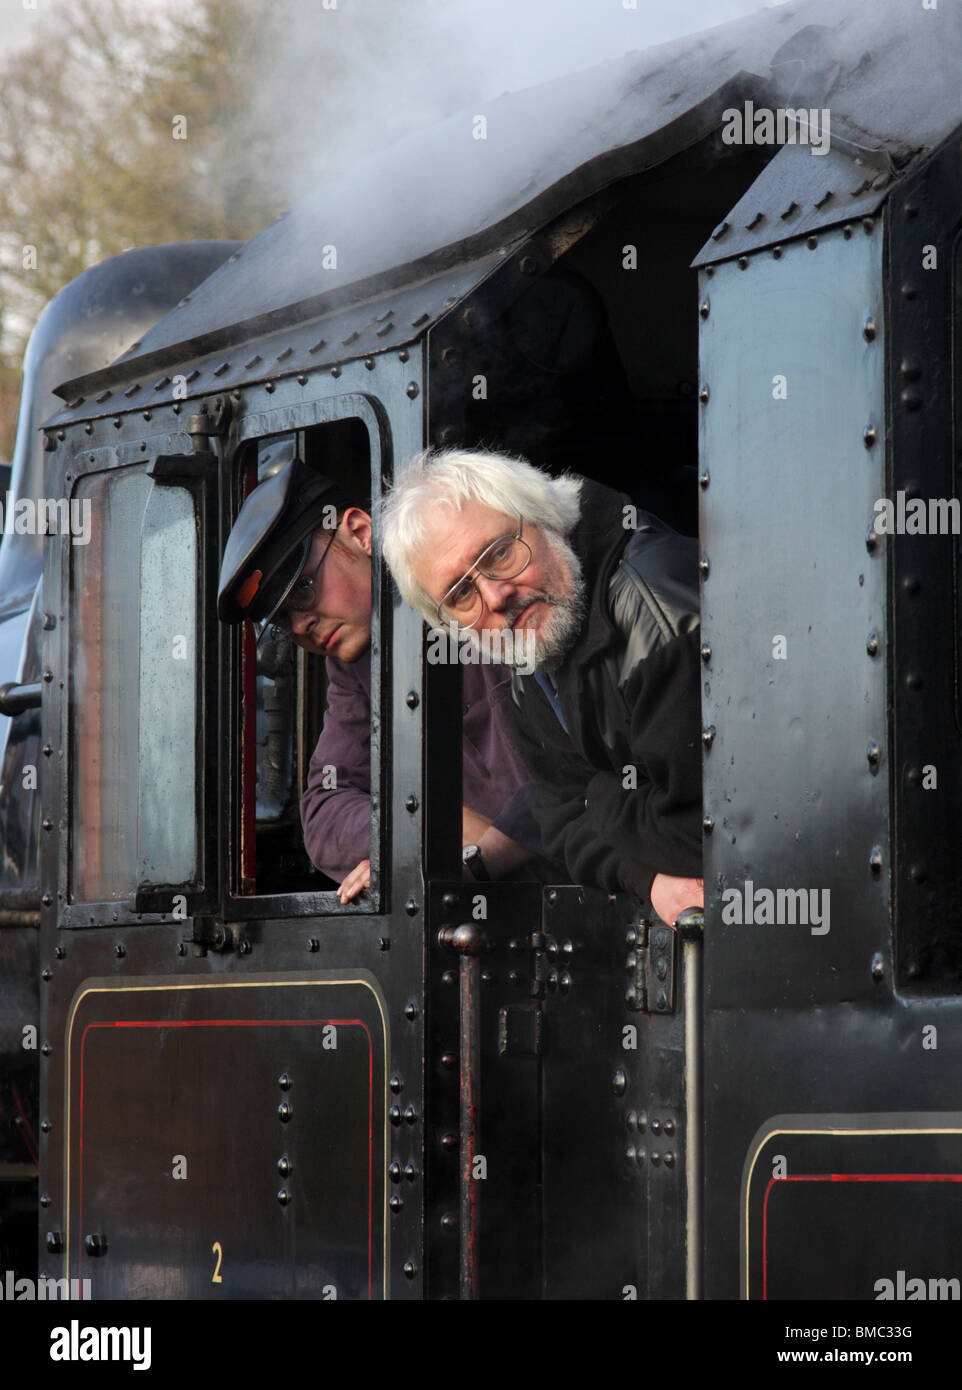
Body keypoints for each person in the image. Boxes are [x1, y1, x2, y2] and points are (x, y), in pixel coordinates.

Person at [381, 448, 704, 926]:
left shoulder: (660, 616)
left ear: (549, 520)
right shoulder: (534, 648)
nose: (495, 595)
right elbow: (560, 821)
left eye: (499, 553)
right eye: (461, 594)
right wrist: (646, 879)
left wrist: (600, 796)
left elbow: (697, 835)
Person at [216, 456, 542, 901]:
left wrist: (488, 853)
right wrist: (428, 827)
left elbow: (586, 762)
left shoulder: (490, 591)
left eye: (304, 590)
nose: (300, 625)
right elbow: (324, 812)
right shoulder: (356, 664)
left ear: (360, 532)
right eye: (284, 618)